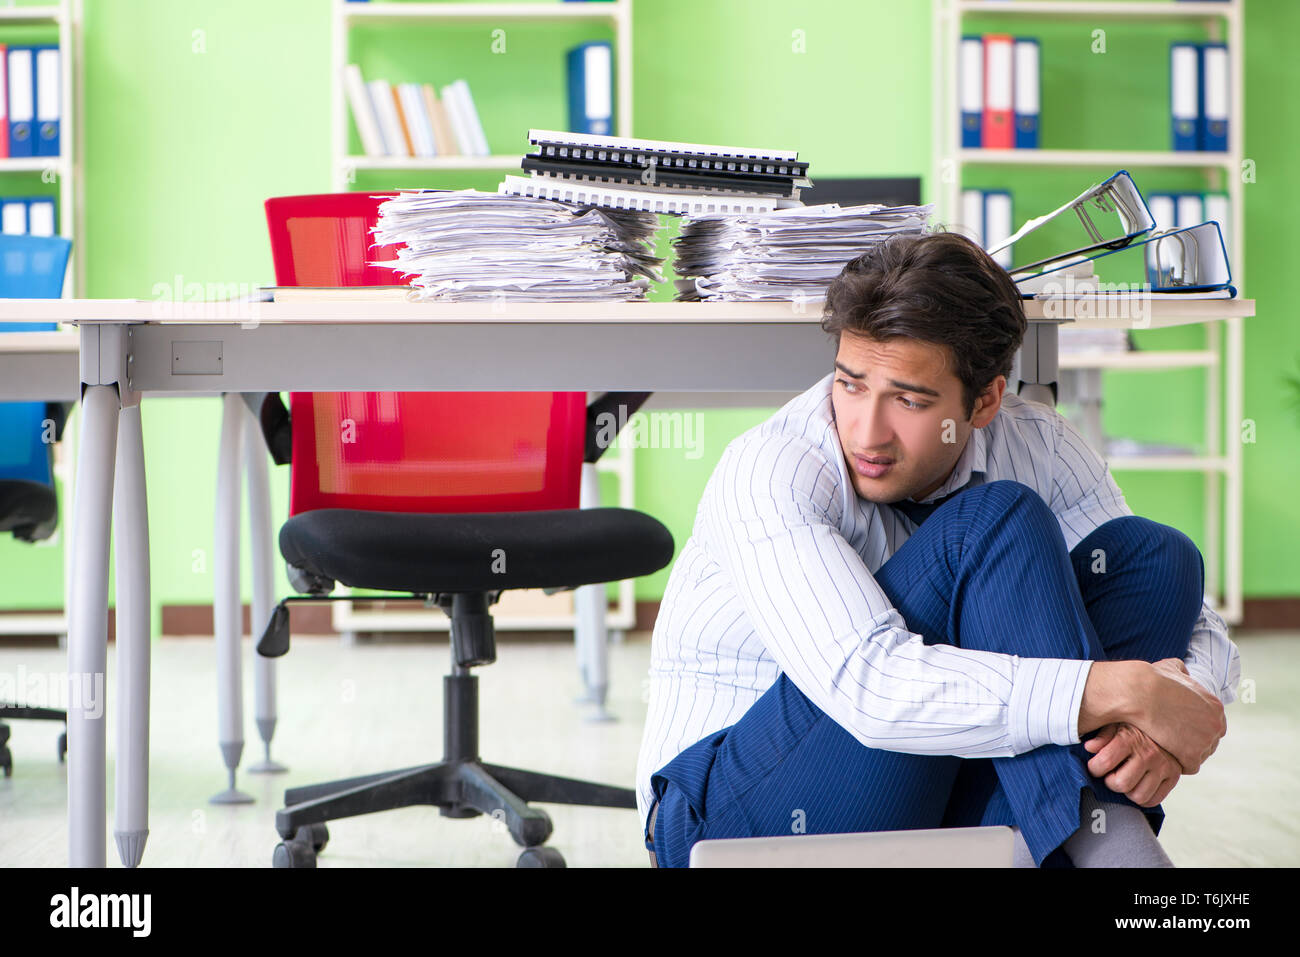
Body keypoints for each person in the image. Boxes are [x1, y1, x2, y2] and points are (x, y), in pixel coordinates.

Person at [635, 231, 1239, 868]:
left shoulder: (1041, 446)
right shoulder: (773, 467)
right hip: (732, 815)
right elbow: (871, 690)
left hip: (931, 785)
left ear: (985, 400)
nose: (866, 431)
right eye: (850, 383)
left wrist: (1170, 710)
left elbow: (1198, 626)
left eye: (909, 400)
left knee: (1155, 557)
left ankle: (1088, 840)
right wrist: (1124, 693)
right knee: (990, 522)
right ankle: (1112, 852)